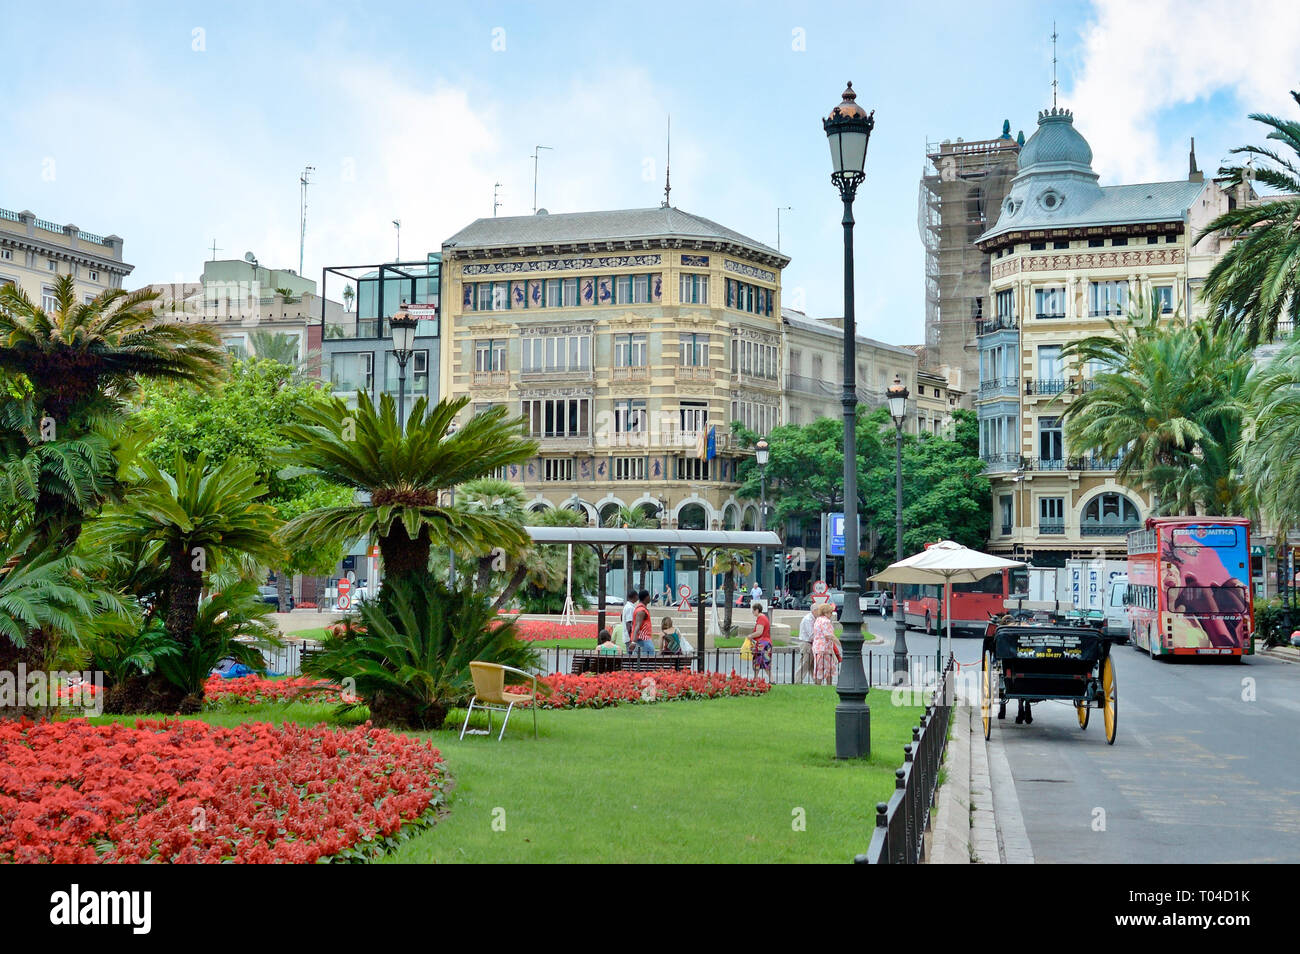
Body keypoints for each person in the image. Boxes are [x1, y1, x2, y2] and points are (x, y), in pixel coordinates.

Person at [811, 602, 841, 686]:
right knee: (828, 668)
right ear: (826, 612)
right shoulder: (826, 621)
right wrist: (840, 643)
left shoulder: (818, 620)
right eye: (830, 612)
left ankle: (818, 686)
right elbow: (829, 635)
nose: (831, 614)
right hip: (825, 648)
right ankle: (827, 685)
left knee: (818, 668)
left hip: (817, 646)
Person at [749, 601, 772, 681]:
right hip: (765, 643)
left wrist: (750, 636)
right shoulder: (764, 617)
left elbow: (759, 632)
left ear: (757, 610)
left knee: (759, 662)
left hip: (762, 644)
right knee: (764, 662)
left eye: (753, 610)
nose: (752, 612)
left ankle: (768, 679)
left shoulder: (761, 618)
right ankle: (758, 678)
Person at [630, 589, 656, 656]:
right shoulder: (641, 611)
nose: (650, 597)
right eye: (649, 596)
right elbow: (637, 626)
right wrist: (633, 642)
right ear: (646, 597)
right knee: (649, 661)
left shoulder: (641, 609)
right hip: (644, 639)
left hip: (642, 640)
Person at [796, 604, 816, 683]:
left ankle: (817, 682)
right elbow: (811, 635)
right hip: (807, 643)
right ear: (814, 611)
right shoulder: (808, 619)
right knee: (805, 663)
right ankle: (797, 681)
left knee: (812, 665)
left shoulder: (813, 618)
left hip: (810, 643)